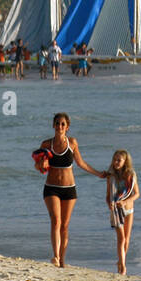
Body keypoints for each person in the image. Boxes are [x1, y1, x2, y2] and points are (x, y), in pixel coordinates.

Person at [38, 112, 107, 268]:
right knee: (56, 221)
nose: (59, 126)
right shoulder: (46, 145)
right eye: (57, 123)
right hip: (51, 188)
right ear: (53, 125)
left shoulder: (72, 143)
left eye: (63, 124)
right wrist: (41, 166)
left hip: (69, 189)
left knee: (65, 225)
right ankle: (55, 256)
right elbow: (39, 165)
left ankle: (62, 260)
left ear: (67, 127)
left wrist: (99, 174)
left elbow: (81, 163)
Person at [105, 150, 141, 276]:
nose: (116, 162)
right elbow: (108, 195)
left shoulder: (130, 175)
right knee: (121, 238)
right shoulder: (111, 176)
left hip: (128, 209)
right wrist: (109, 204)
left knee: (127, 239)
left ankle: (121, 261)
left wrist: (125, 202)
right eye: (114, 159)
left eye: (119, 160)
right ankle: (123, 267)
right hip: (116, 210)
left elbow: (136, 194)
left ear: (125, 162)